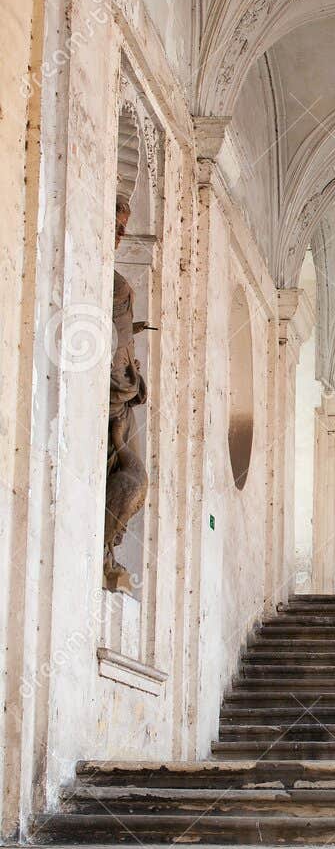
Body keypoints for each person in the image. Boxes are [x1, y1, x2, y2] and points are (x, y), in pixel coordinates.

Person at [103, 196, 149, 593]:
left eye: (123, 228)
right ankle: (102, 552)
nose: (120, 236)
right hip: (109, 395)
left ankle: (105, 552)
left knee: (132, 479)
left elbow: (119, 344)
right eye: (116, 226)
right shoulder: (114, 285)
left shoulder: (119, 285)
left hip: (118, 394)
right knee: (130, 480)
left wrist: (130, 377)